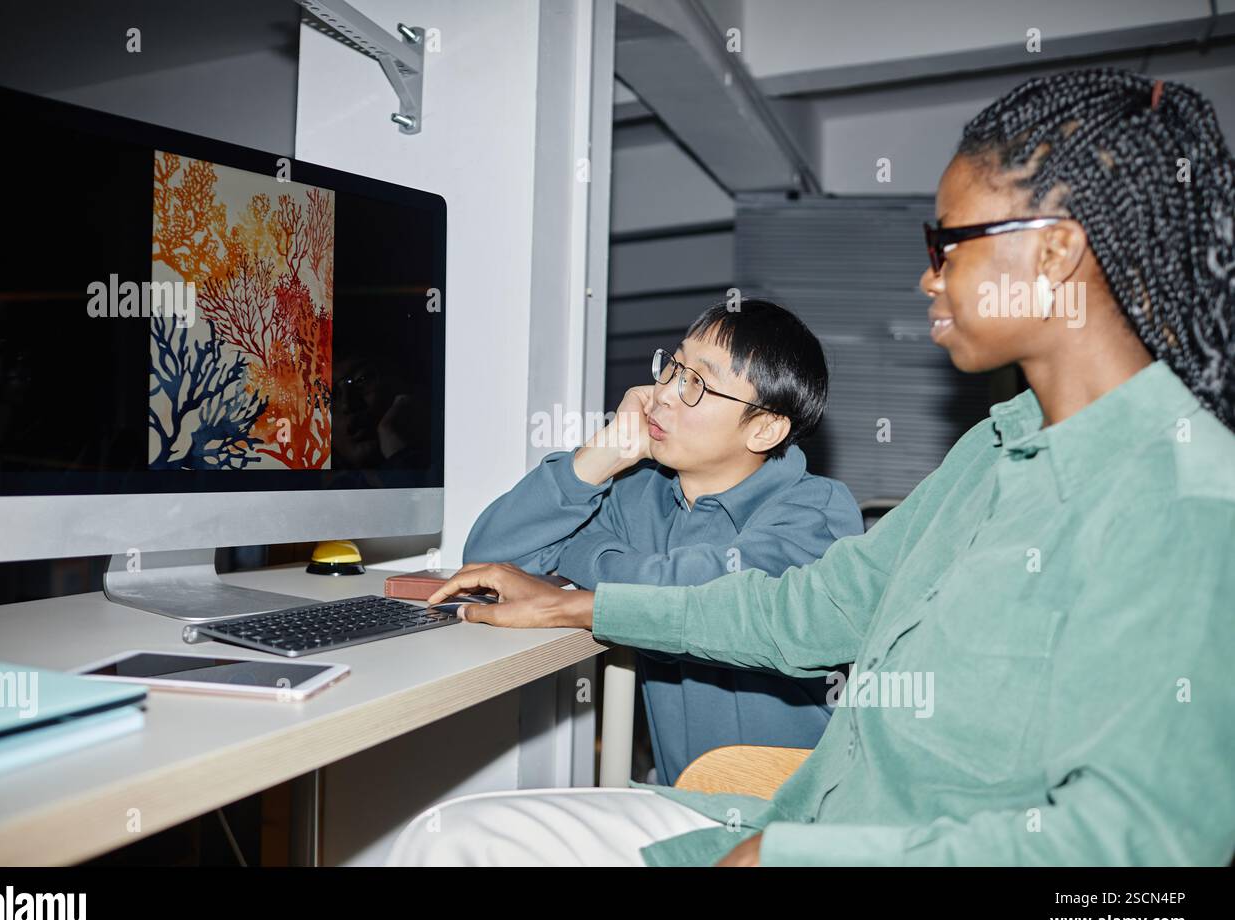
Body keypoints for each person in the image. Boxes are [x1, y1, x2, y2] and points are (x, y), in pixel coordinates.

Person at [386, 69, 1235, 866]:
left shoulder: (1186, 497)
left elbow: (1141, 864)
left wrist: (800, 860)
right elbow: (812, 610)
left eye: (947, 244)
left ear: (1053, 255)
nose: (925, 278)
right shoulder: (991, 450)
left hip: (829, 850)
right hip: (799, 818)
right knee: (457, 840)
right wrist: (575, 602)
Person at [462, 298, 863, 785]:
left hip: (796, 811)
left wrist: (586, 554)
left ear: (763, 428)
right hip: (680, 798)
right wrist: (604, 455)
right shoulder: (638, 492)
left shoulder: (816, 512)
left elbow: (702, 598)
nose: (664, 394)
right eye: (673, 367)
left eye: (697, 383)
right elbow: (487, 560)